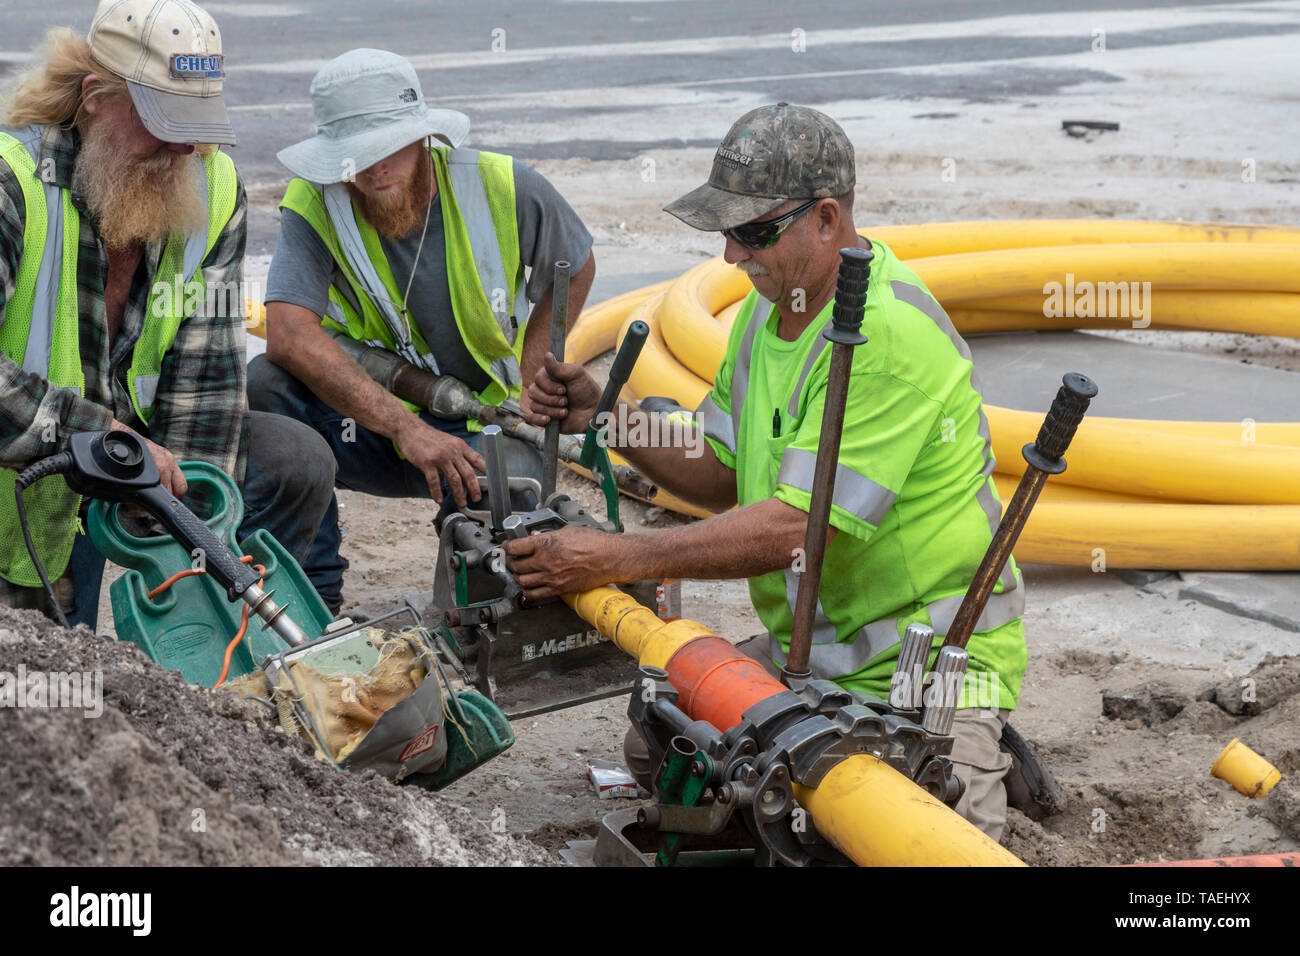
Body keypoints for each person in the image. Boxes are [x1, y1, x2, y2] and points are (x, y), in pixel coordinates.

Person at [503, 103, 1028, 840]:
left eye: (754, 232)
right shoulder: (769, 312)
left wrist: (624, 556)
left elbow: (801, 530)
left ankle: (982, 757)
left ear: (827, 218)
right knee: (662, 750)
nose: (731, 256)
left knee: (928, 841)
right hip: (809, 657)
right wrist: (606, 417)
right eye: (727, 232)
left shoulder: (885, 335)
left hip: (932, 670)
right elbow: (720, 469)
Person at [0, 0, 335, 629]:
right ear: (95, 97)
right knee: (46, 684)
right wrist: (105, 441)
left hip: (129, 463)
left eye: (197, 121)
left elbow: (206, 385)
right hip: (24, 472)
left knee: (294, 458)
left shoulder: (210, 183)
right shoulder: (10, 186)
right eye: (162, 121)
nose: (186, 145)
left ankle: (232, 648)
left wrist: (197, 546)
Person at [248, 49, 596, 615]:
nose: (373, 168)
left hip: (486, 427)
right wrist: (407, 429)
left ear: (424, 138)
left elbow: (575, 264)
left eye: (388, 148)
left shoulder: (503, 186)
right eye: (355, 155)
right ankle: (312, 589)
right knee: (266, 383)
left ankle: (471, 560)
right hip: (371, 423)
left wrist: (532, 373)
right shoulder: (315, 203)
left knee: (514, 516)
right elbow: (288, 333)